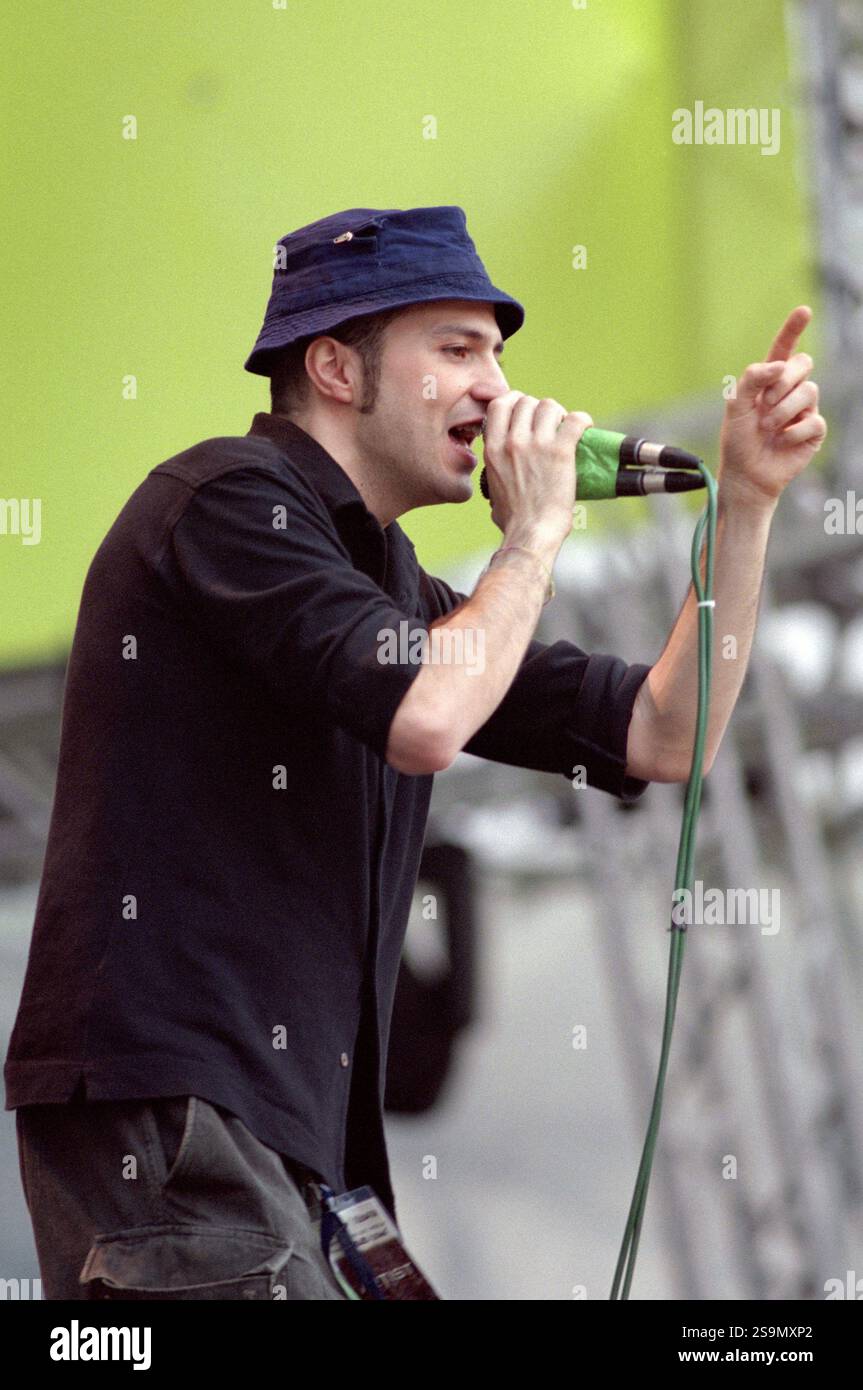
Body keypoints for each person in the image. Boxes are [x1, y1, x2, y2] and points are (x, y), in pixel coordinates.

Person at [5, 205, 826, 1300]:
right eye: (456, 349)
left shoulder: (394, 592)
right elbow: (429, 716)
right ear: (336, 367)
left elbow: (661, 733)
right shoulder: (225, 505)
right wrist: (530, 536)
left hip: (287, 1153)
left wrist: (749, 500)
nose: (494, 387)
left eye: (497, 352)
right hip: (183, 1128)